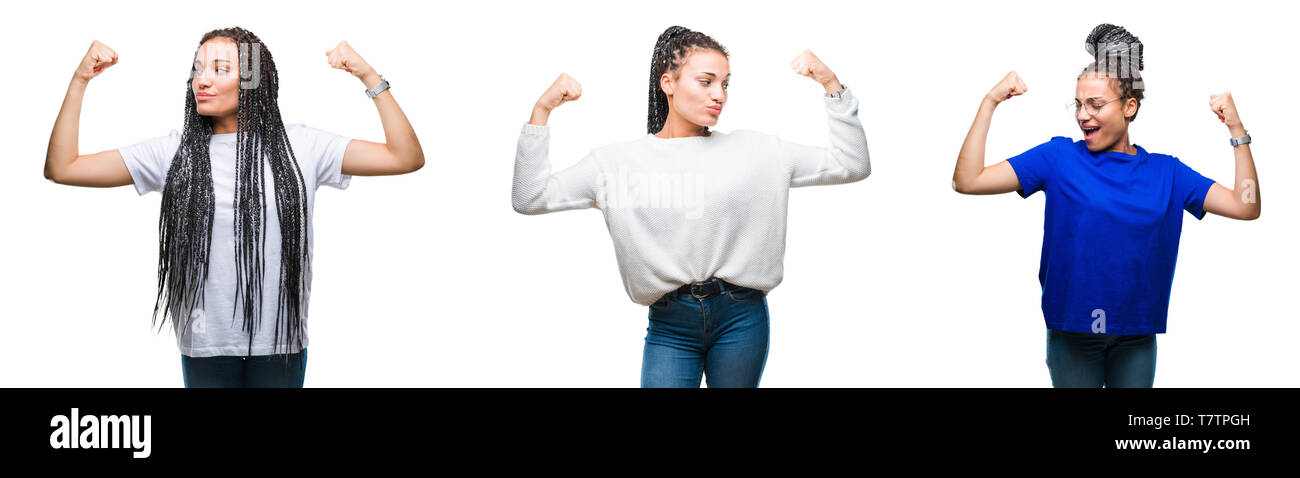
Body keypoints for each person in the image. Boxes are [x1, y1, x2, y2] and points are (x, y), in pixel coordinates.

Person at [43, 27, 425, 387]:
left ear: (254, 82)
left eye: (220, 69)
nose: (202, 80)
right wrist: (80, 81)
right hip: (206, 344)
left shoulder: (303, 148)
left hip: (279, 346)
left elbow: (404, 157)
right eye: (197, 70)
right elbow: (63, 168)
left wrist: (369, 76)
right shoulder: (173, 153)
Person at [512, 26, 870, 387]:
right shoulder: (616, 164)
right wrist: (542, 109)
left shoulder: (759, 151)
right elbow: (530, 197)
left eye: (725, 84)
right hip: (670, 324)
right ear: (668, 83)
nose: (720, 95)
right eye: (706, 82)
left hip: (741, 318)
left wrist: (831, 84)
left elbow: (852, 164)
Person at [950, 24, 1260, 387]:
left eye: (1096, 105)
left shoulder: (1168, 172)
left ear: (1130, 107)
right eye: (1078, 104)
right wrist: (990, 102)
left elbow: (1245, 205)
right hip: (1074, 331)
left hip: (1137, 334)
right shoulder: (1057, 158)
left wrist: (1236, 130)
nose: (1083, 115)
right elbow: (967, 181)